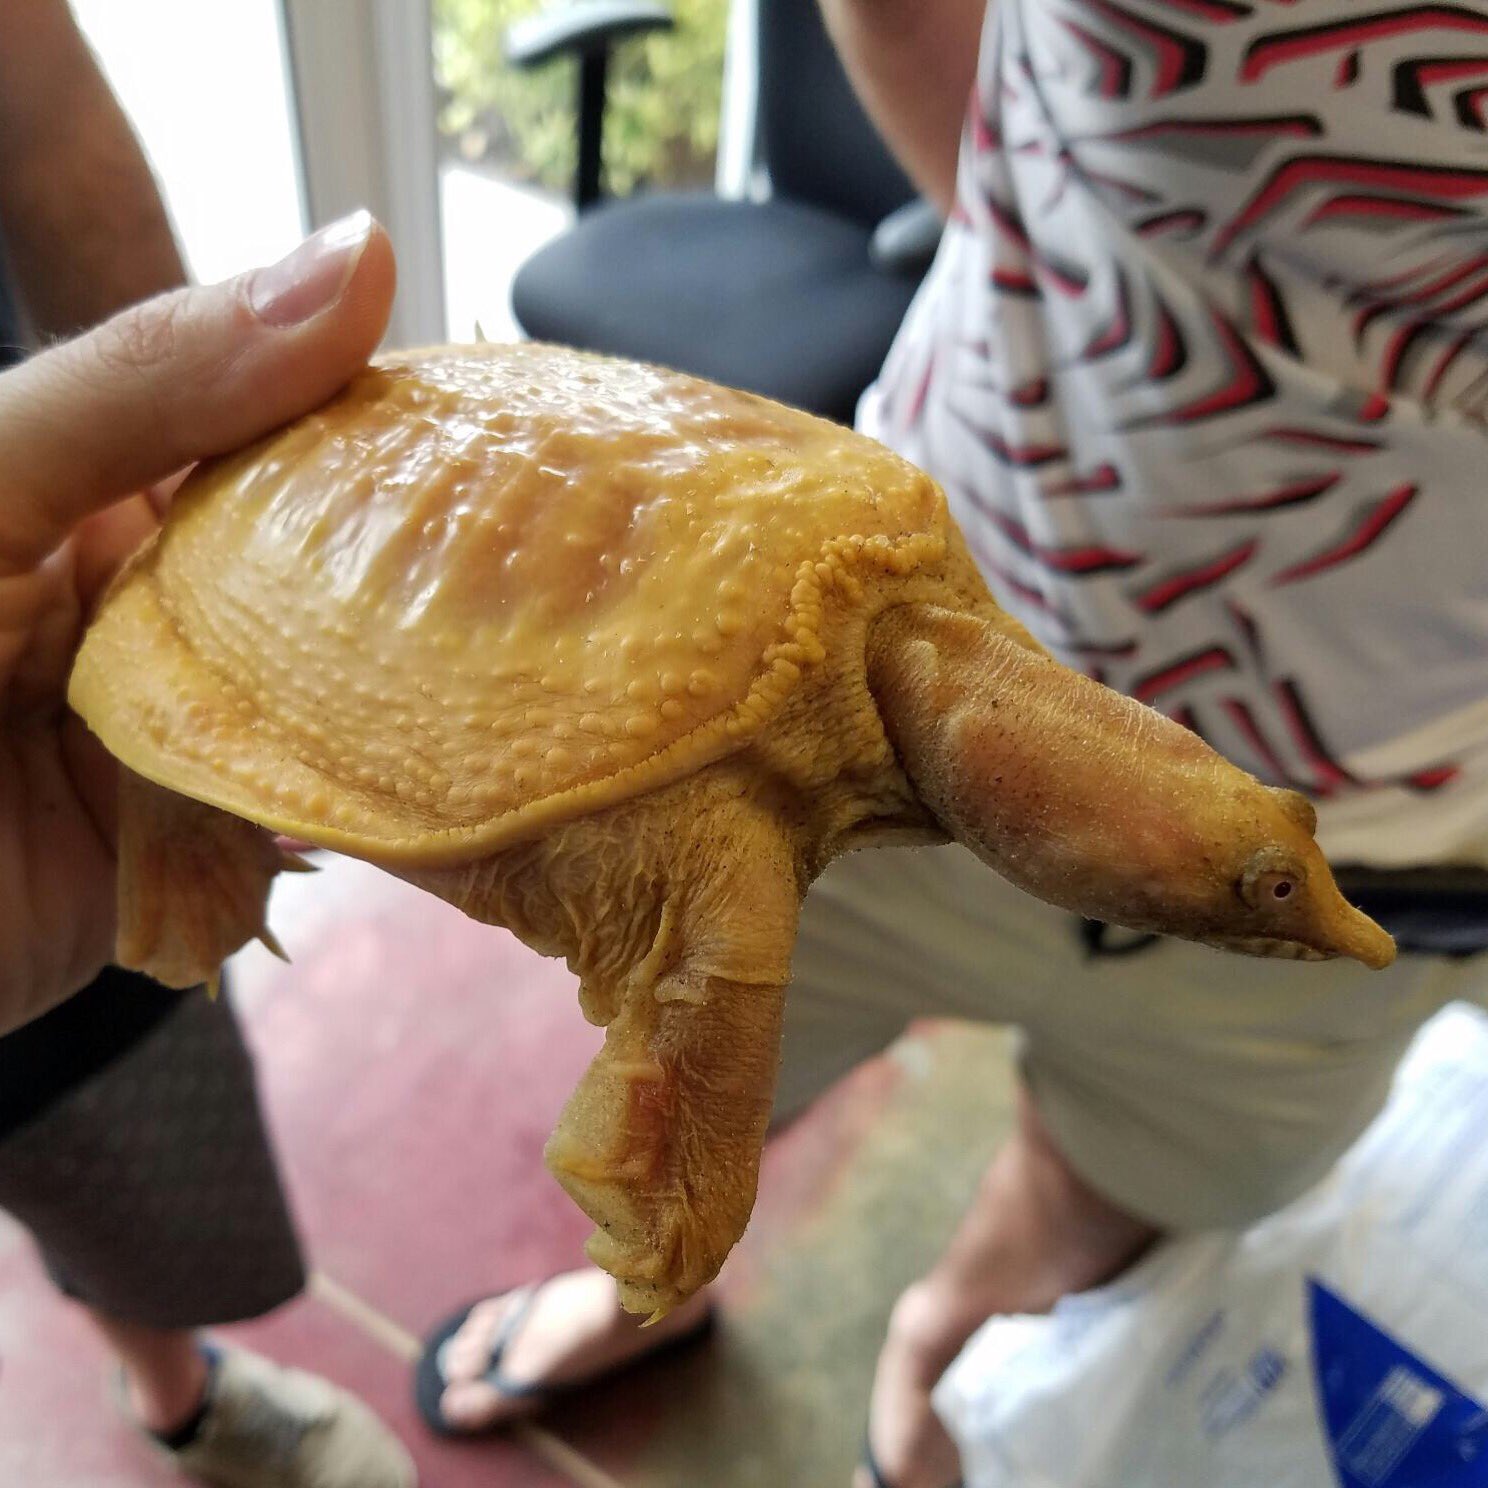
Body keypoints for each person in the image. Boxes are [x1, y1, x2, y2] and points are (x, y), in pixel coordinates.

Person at [415, 3, 1488, 1486]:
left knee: (1111, 1181)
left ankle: (940, 1344)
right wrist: (1053, 261)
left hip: (1423, 856)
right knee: (684, 1091)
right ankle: (645, 1282)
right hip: (871, 691)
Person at [0, 6, 414, 1483]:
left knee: (121, 1106)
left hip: (36, 666)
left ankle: (178, 1399)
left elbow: (31, 84)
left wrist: (200, 484)